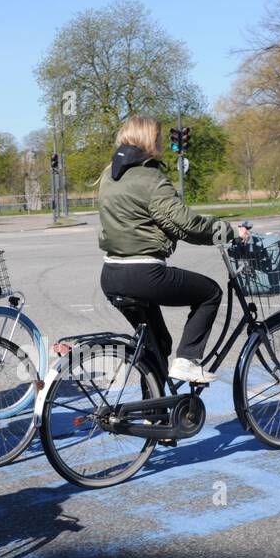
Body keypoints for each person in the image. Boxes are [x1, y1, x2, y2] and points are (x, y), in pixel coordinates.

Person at [96, 115, 246, 384]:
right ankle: (188, 360)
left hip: (111, 273)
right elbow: (186, 224)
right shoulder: (150, 178)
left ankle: (152, 414)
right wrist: (231, 232)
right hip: (143, 274)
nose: (162, 143)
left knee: (157, 344)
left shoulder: (109, 175)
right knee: (210, 293)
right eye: (159, 138)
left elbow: (156, 220)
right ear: (150, 140)